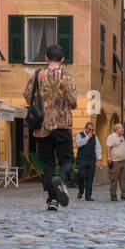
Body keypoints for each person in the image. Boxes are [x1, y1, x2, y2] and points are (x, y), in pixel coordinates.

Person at [24, 44, 77, 212]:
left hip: (42, 127)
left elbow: (27, 97)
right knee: (67, 160)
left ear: (46, 58)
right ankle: (61, 180)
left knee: (47, 163)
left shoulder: (37, 75)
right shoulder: (67, 77)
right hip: (62, 125)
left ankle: (52, 200)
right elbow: (74, 103)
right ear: (62, 59)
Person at [106, 122, 125, 201]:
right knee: (114, 179)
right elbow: (108, 148)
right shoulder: (111, 137)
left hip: (123, 161)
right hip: (115, 161)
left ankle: (124, 194)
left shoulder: (122, 137)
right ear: (117, 129)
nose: (123, 129)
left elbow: (124, 147)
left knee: (124, 178)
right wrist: (109, 158)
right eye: (121, 128)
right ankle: (113, 195)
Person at [75, 121, 103, 201]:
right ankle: (81, 191)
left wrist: (99, 159)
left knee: (90, 178)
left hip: (91, 159)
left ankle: (88, 196)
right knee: (81, 175)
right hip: (82, 159)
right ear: (85, 128)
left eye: (92, 130)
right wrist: (87, 137)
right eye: (89, 129)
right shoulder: (79, 135)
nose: (91, 131)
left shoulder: (95, 137)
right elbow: (79, 144)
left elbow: (98, 148)